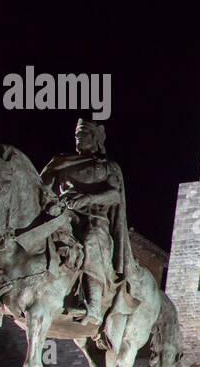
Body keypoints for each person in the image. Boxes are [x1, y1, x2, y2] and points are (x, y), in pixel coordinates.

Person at [40, 118, 135, 345]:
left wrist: (88, 198)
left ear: (96, 138)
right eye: (77, 135)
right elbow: (41, 188)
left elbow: (115, 195)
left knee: (92, 239)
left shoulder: (107, 167)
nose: (79, 139)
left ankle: (92, 304)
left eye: (84, 134)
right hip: (63, 216)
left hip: (94, 219)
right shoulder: (60, 162)